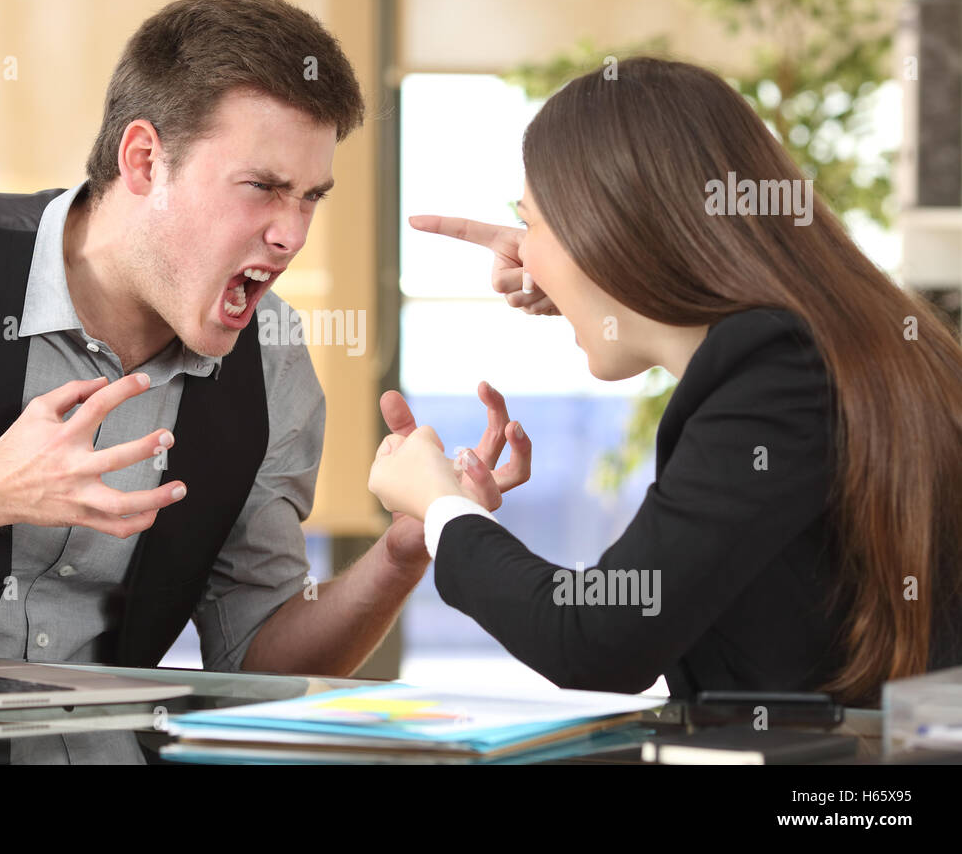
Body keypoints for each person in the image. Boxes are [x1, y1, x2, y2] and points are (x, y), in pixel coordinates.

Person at [0, 0, 530, 684]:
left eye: (311, 197)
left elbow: (257, 657)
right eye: (262, 188)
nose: (292, 236)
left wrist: (404, 550)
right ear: (145, 159)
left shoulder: (274, 358)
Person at [368, 56, 962, 708]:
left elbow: (595, 637)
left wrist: (443, 509)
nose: (522, 250)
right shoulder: (822, 348)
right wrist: (577, 274)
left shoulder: (776, 377)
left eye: (530, 218)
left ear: (612, 228)